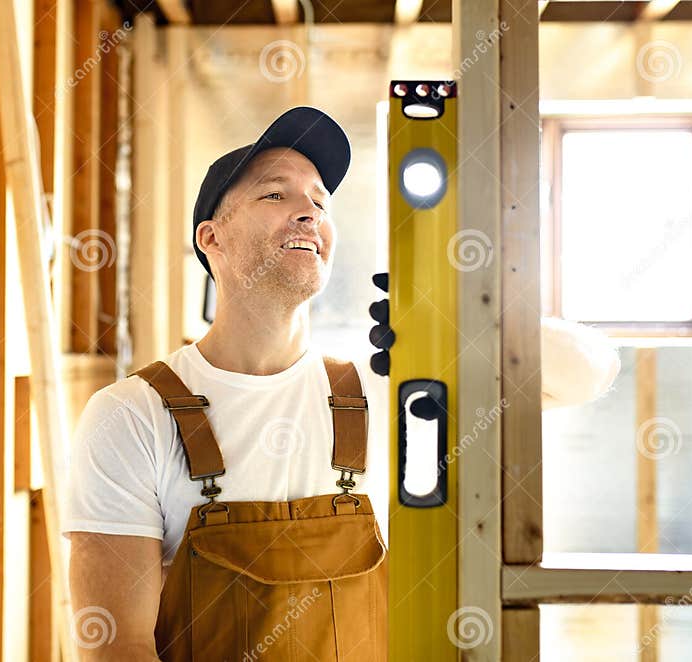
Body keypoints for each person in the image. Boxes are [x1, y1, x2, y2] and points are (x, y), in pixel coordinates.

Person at [62, 106, 621, 661]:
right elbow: (117, 649)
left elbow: (588, 372)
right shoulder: (132, 415)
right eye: (275, 194)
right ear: (212, 237)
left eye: (320, 200)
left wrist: (472, 323)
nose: (308, 211)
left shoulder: (386, 390)